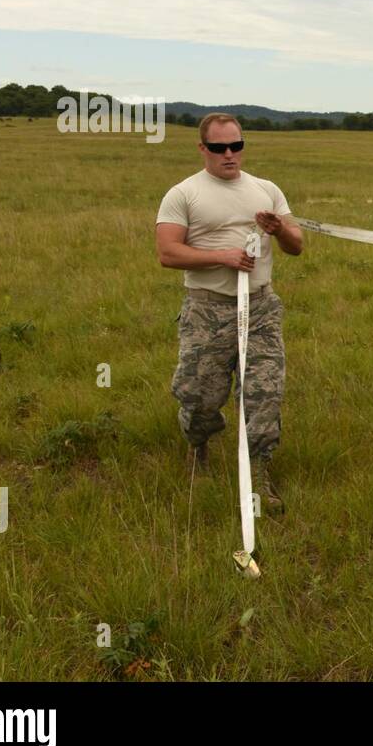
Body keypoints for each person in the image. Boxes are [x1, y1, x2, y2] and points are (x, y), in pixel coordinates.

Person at [155, 113, 303, 512]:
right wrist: (221, 257)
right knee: (201, 396)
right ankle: (198, 446)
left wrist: (280, 230)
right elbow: (168, 252)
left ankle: (259, 474)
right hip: (207, 309)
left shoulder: (266, 190)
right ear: (203, 148)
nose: (229, 154)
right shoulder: (183, 194)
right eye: (219, 147)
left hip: (261, 309)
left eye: (236, 146)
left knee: (264, 394)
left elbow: (297, 245)